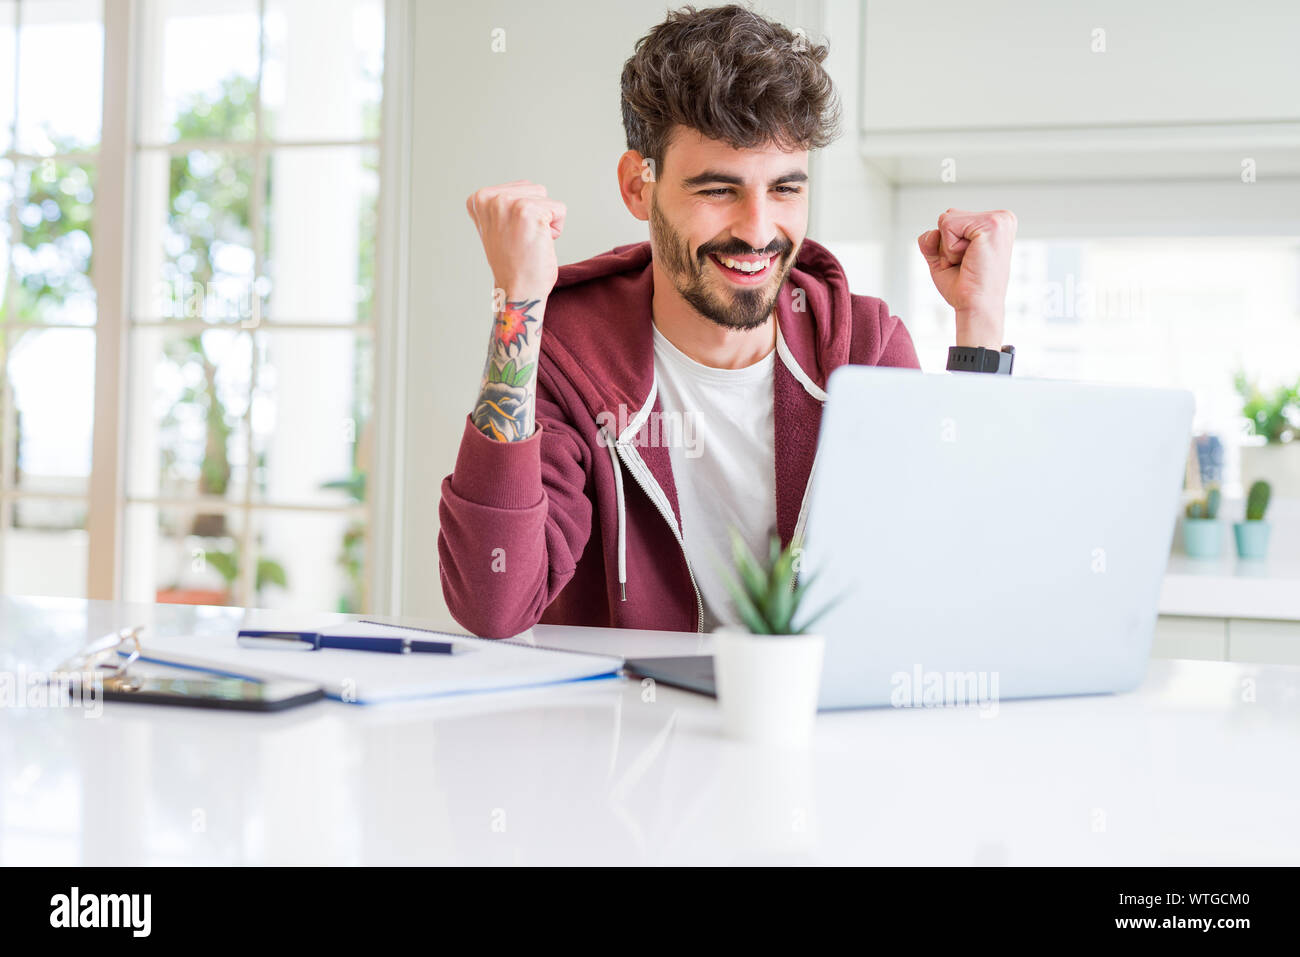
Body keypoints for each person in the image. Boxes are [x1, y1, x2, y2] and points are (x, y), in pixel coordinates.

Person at [438, 4, 1017, 638]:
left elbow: (956, 574)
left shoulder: (863, 347)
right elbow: (495, 603)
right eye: (718, 190)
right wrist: (518, 306)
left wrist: (979, 321)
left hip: (812, 724)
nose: (758, 230)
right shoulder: (569, 350)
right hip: (622, 728)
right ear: (639, 185)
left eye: (786, 189)